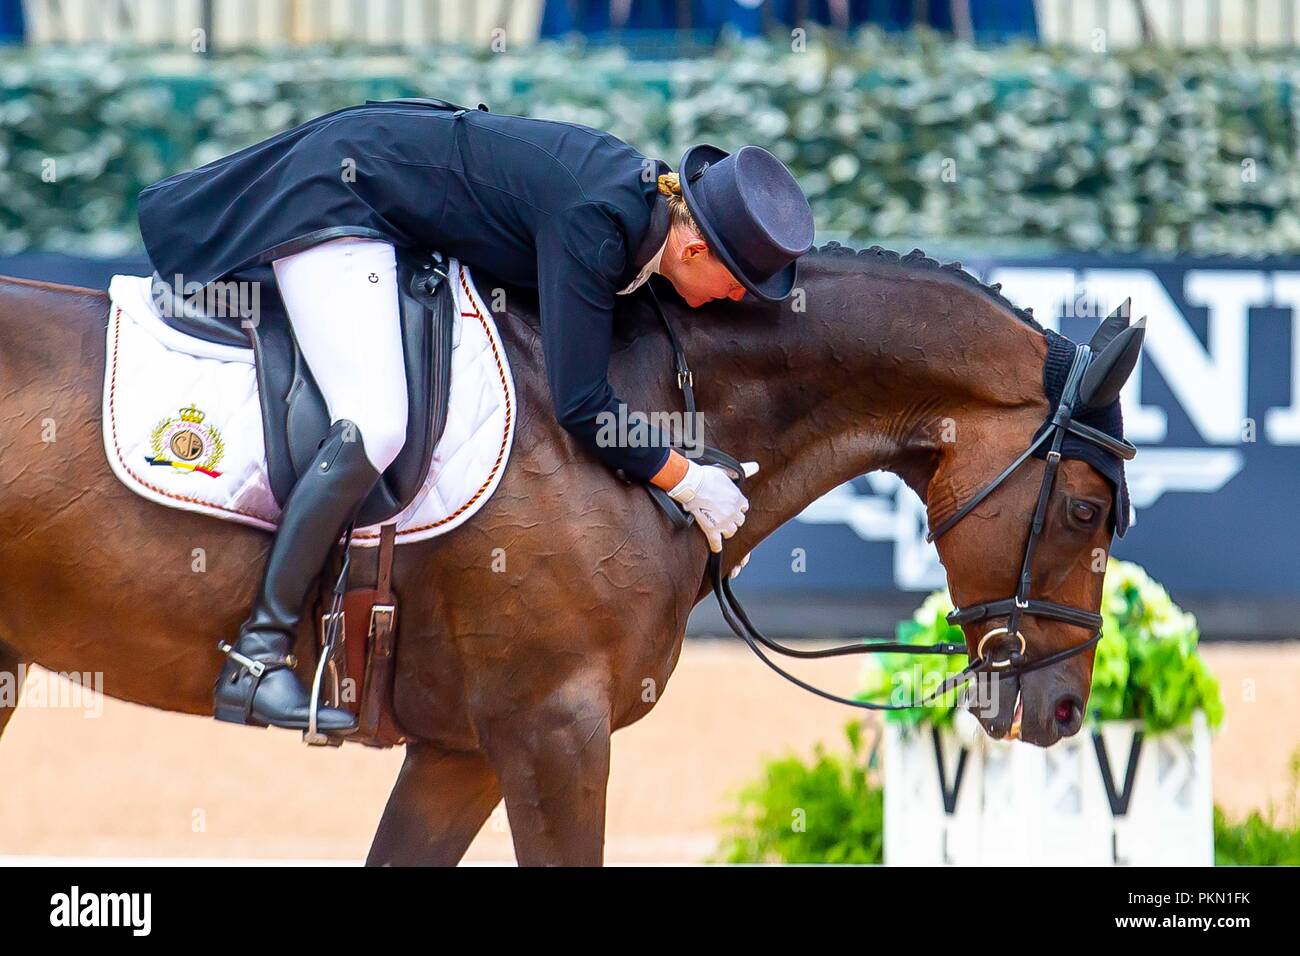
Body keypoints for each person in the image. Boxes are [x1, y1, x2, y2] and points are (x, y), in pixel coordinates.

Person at [136, 99, 815, 734]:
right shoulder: (598, 224)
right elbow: (581, 405)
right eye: (735, 285)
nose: (731, 300)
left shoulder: (641, 210)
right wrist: (685, 480)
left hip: (392, 192)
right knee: (376, 424)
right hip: (343, 202)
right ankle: (257, 656)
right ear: (695, 250)